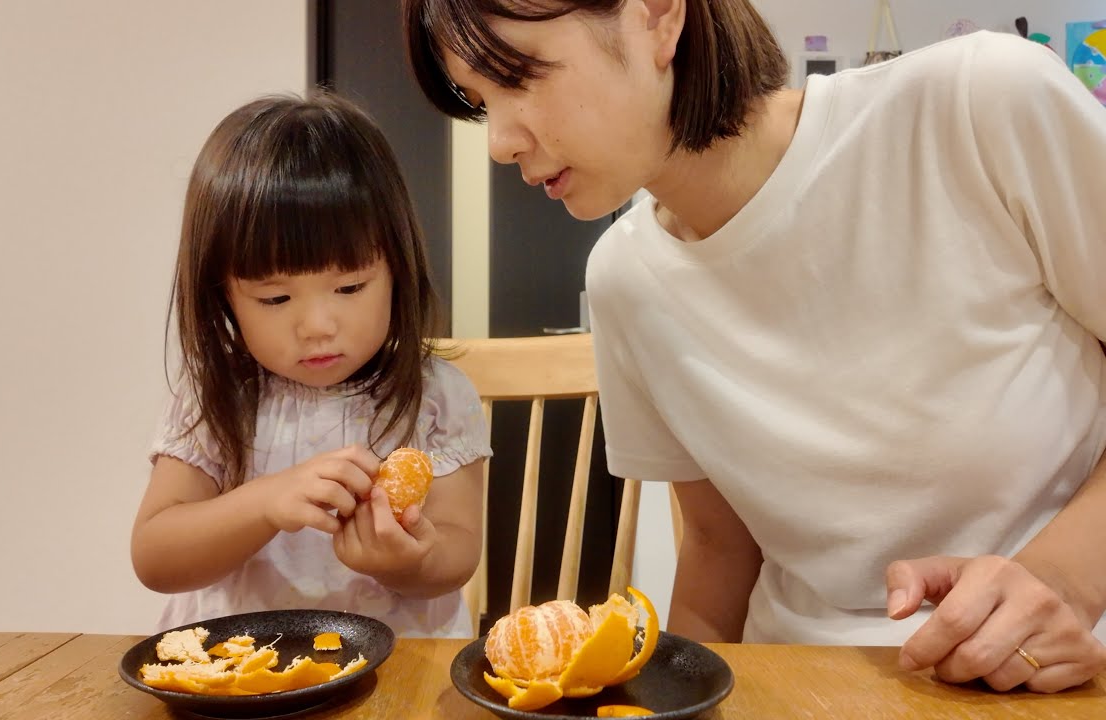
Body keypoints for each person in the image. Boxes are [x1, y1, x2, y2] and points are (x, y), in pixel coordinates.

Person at [403, 0, 1106, 691]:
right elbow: (717, 547)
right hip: (794, 682)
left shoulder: (979, 103)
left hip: (1055, 679)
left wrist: (1065, 580)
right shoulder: (625, 280)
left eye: (518, 74)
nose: (499, 142)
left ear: (656, 15)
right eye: (478, 98)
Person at [130, 92, 491, 638]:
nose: (317, 325)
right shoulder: (217, 396)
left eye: (349, 286)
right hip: (242, 673)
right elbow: (156, 557)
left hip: (397, 677)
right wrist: (264, 502)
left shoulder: (436, 394)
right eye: (275, 299)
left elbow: (459, 550)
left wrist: (408, 561)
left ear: (398, 269)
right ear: (222, 296)